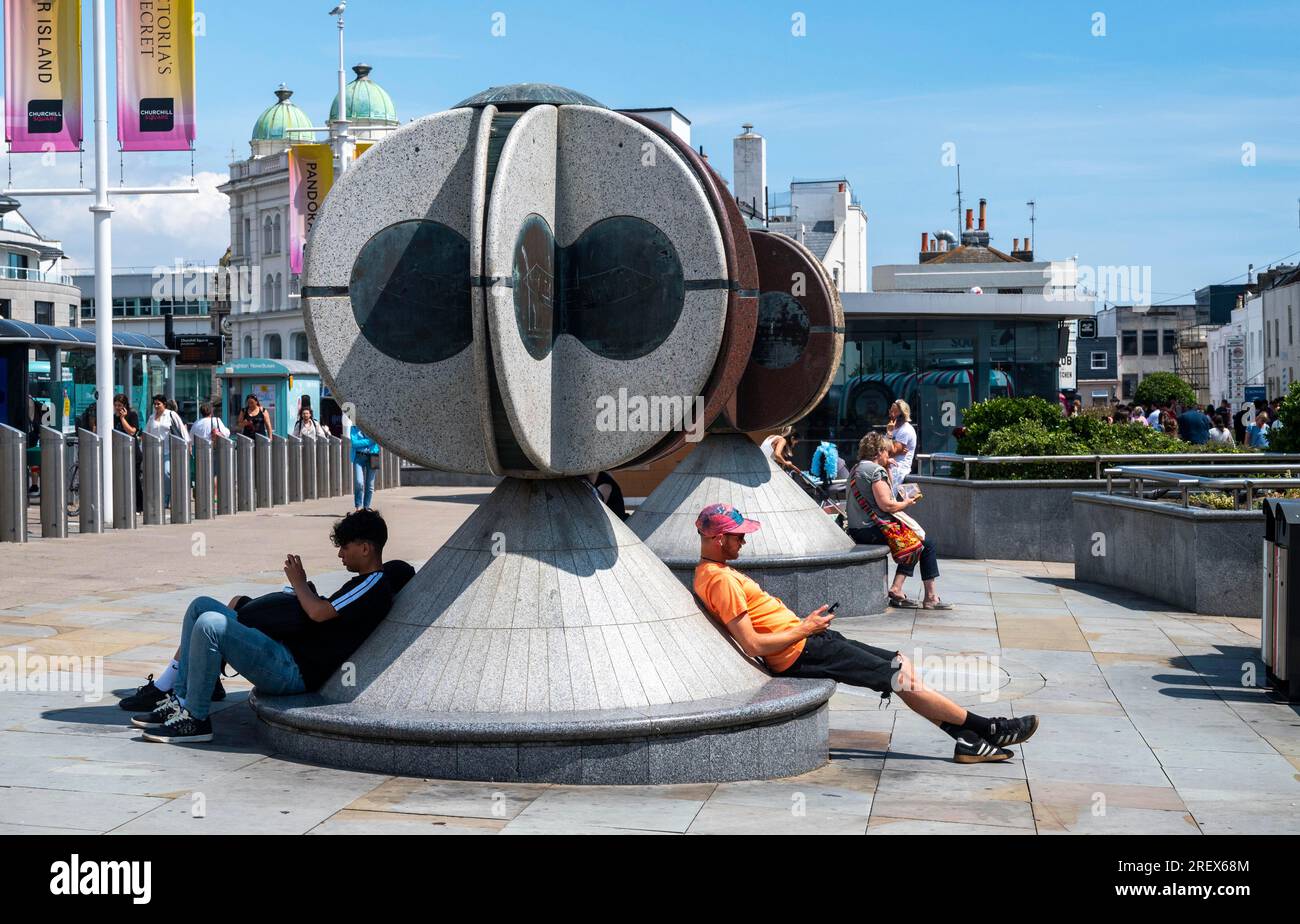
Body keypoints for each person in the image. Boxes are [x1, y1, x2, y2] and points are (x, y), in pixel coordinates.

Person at [693, 502, 1038, 764]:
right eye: (739, 536)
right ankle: (990, 728)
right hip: (802, 651)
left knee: (900, 664)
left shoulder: (713, 571)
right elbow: (752, 642)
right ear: (720, 538)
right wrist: (805, 627)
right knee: (900, 676)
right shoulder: (720, 579)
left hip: (810, 641)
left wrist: (806, 625)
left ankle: (967, 741)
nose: (745, 541)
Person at [128, 510, 402, 743]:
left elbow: (319, 613)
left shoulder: (371, 584)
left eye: (345, 546)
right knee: (201, 606)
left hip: (293, 670)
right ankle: (183, 701)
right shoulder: (366, 583)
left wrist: (298, 582)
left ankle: (195, 719)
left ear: (365, 548)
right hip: (285, 652)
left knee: (211, 625)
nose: (340, 554)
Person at [847, 431, 950, 609]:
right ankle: (930, 597)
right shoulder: (874, 470)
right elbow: (887, 505)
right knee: (925, 543)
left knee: (915, 542)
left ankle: (897, 589)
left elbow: (882, 496)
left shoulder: (856, 469)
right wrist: (908, 502)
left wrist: (887, 469)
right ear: (879, 452)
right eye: (887, 451)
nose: (889, 455)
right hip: (872, 528)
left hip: (858, 528)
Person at [145, 394, 190, 505]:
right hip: (155, 451)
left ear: (164, 404)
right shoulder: (152, 417)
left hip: (170, 449)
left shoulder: (171, 414)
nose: (156, 406)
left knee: (166, 472)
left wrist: (188, 445)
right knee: (158, 475)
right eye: (154, 404)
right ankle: (164, 498)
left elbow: (182, 429)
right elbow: (146, 432)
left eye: (158, 404)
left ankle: (168, 497)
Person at [885, 399, 917, 489]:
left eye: (894, 412)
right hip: (888, 467)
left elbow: (891, 452)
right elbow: (881, 449)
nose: (891, 414)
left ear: (902, 415)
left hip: (897, 470)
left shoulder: (905, 430)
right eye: (890, 411)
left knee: (890, 497)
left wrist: (890, 435)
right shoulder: (892, 428)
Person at [350, 424, 379, 511]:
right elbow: (354, 443)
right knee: (359, 482)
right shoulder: (354, 427)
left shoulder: (374, 426)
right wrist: (369, 441)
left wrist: (363, 442)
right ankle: (358, 506)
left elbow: (376, 440)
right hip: (359, 457)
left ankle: (366, 507)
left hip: (373, 456)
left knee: (370, 485)